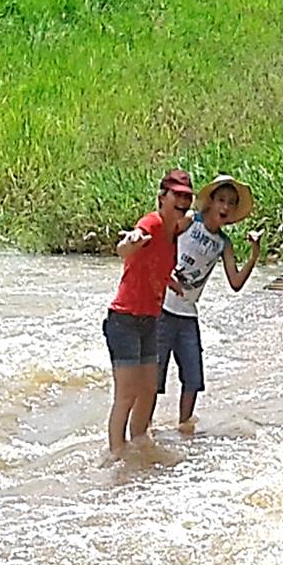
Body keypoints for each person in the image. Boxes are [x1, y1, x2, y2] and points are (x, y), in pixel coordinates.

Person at [153, 174, 262, 433]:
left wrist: (254, 255)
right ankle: (144, 431)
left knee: (193, 379)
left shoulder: (223, 243)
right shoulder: (191, 220)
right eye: (221, 200)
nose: (226, 207)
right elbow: (163, 239)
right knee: (154, 378)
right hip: (163, 309)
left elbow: (235, 283)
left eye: (231, 203)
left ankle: (184, 430)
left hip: (188, 315)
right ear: (210, 202)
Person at [103, 168, 193, 455]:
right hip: (125, 320)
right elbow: (126, 248)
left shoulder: (173, 232)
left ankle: (140, 444)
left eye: (187, 197)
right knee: (126, 395)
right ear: (162, 197)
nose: (183, 202)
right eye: (177, 196)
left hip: (150, 320)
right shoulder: (151, 224)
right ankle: (117, 455)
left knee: (148, 390)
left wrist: (170, 281)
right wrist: (129, 242)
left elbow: (156, 263)